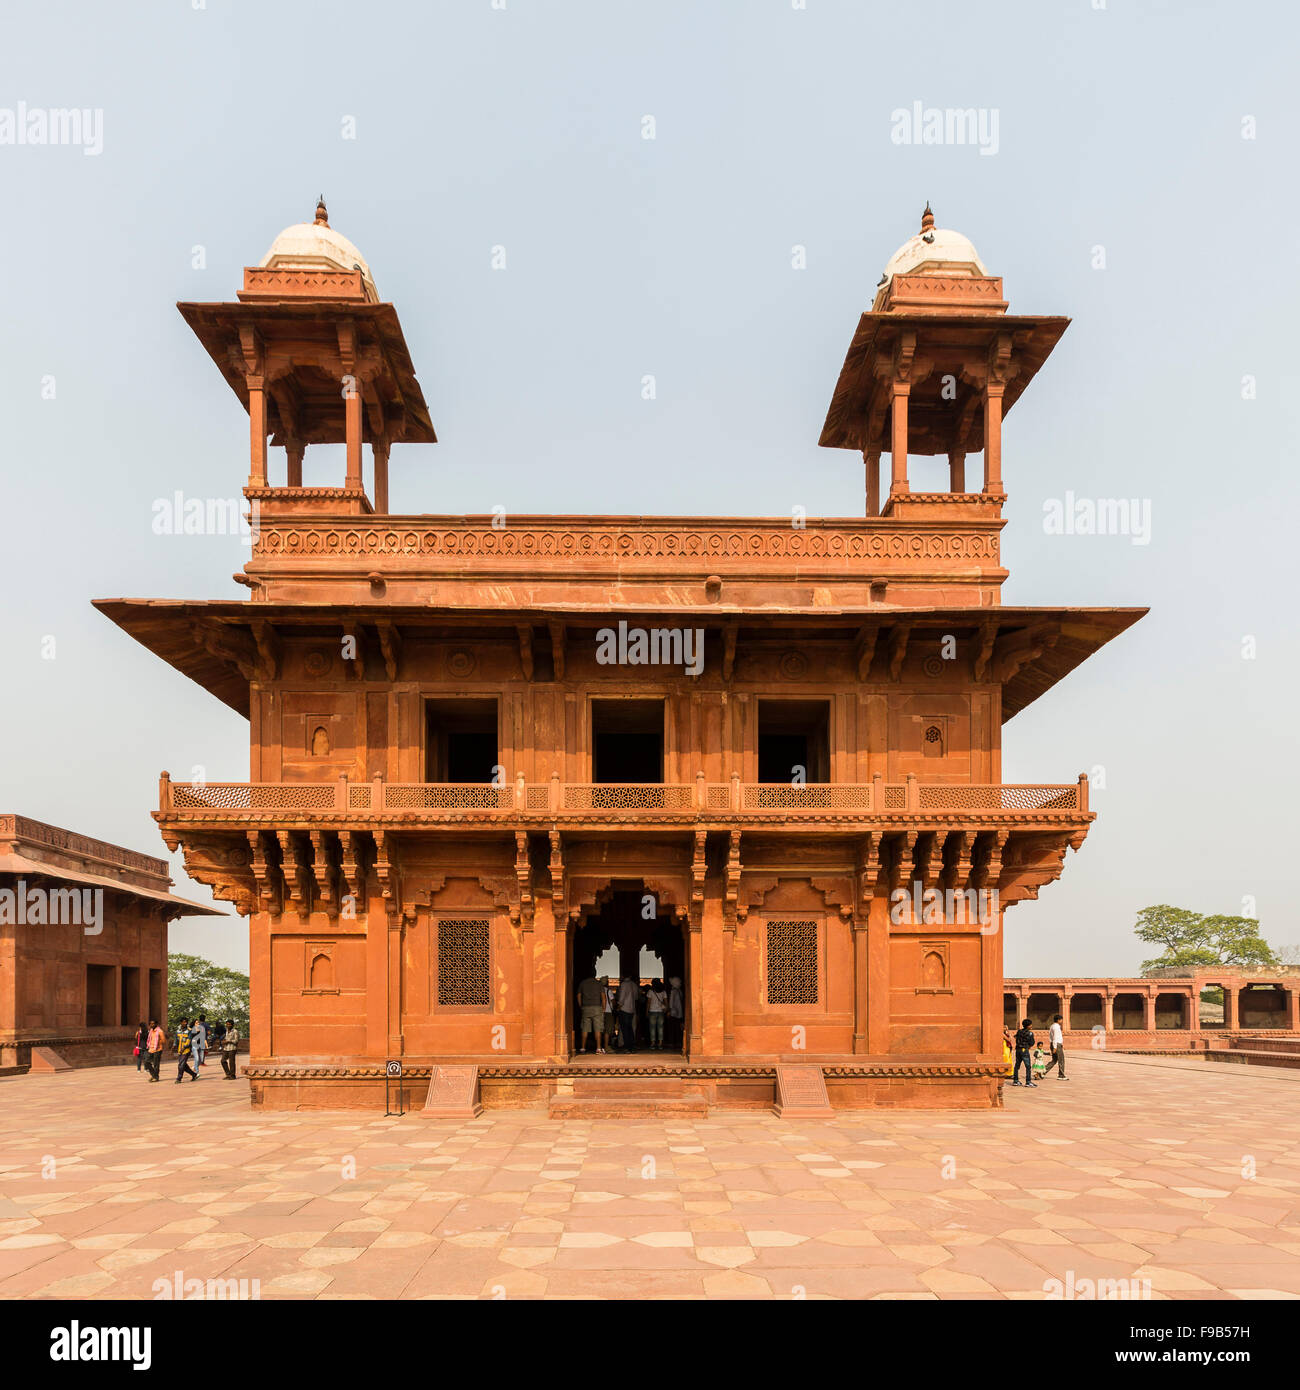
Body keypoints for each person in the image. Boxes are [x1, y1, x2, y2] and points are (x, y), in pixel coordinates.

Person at [576, 973, 606, 1054]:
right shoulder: (599, 984)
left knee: (585, 1029)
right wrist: (603, 1008)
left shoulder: (582, 983)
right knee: (597, 1029)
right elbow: (603, 997)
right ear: (595, 975)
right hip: (597, 1008)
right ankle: (598, 1048)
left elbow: (578, 995)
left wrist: (581, 1006)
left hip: (586, 1007)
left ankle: (582, 1048)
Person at [1012, 1017, 1037, 1087]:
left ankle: (1015, 1080)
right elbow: (1032, 1042)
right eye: (1030, 1025)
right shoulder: (1030, 1033)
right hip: (1024, 1050)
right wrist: (1028, 1045)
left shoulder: (1019, 1031)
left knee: (1017, 1065)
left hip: (1018, 1050)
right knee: (1028, 1066)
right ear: (1028, 1026)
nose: (1031, 1026)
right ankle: (1028, 1082)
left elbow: (1016, 1038)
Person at [616, 975, 638, 1053]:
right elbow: (636, 997)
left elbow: (621, 998)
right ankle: (631, 1046)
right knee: (630, 1029)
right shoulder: (634, 984)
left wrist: (618, 1007)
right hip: (632, 1009)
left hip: (624, 1009)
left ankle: (627, 1047)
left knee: (624, 1029)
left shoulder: (624, 984)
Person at [645, 978, 667, 1050]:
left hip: (652, 1011)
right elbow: (666, 1002)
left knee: (652, 1028)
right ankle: (660, 1043)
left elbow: (648, 1003)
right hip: (660, 1011)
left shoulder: (650, 991)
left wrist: (646, 1011)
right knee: (660, 1028)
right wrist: (666, 1010)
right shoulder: (663, 992)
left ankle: (653, 1043)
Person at [174, 1018, 198, 1083]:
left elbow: (189, 1041)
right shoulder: (178, 1030)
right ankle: (194, 1074)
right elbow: (176, 1040)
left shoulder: (189, 1031)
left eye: (186, 1022)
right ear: (181, 1023)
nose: (185, 1023)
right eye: (183, 1022)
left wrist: (184, 1048)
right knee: (183, 1065)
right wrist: (174, 1046)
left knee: (181, 1065)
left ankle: (179, 1078)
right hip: (179, 1050)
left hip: (186, 1050)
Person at [1048, 1013, 1068, 1080]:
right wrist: (1055, 1047)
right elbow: (1055, 1037)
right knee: (1061, 1060)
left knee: (1054, 1060)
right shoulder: (1056, 1027)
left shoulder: (1052, 1026)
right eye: (1061, 1020)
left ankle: (1041, 1072)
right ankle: (1061, 1075)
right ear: (1058, 1020)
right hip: (1056, 1045)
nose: (1062, 1021)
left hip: (1055, 1044)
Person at [668, 976, 684, 1051]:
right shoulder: (676, 991)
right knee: (675, 1028)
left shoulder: (675, 990)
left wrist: (670, 1010)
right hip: (676, 1012)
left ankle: (675, 1042)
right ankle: (675, 1042)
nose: (680, 983)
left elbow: (671, 1003)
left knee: (674, 1028)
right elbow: (672, 1003)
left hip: (675, 1012)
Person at [602, 980, 617, 1052]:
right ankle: (606, 1046)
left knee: (600, 1030)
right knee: (608, 1030)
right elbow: (613, 1002)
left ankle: (599, 1046)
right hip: (608, 1012)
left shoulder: (598, 991)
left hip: (600, 1012)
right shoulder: (608, 991)